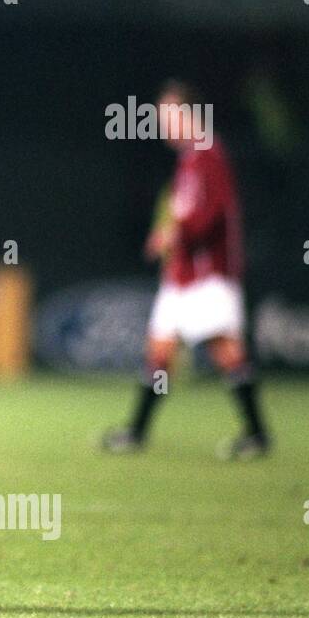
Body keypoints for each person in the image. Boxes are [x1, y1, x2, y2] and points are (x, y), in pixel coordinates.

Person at [102, 81, 269, 460]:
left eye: (169, 117)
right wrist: (168, 231)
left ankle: (258, 434)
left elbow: (206, 216)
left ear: (189, 115)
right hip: (182, 275)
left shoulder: (208, 154)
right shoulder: (192, 157)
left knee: (226, 350)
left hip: (207, 273)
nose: (164, 126)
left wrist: (172, 233)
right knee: (159, 352)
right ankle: (136, 432)